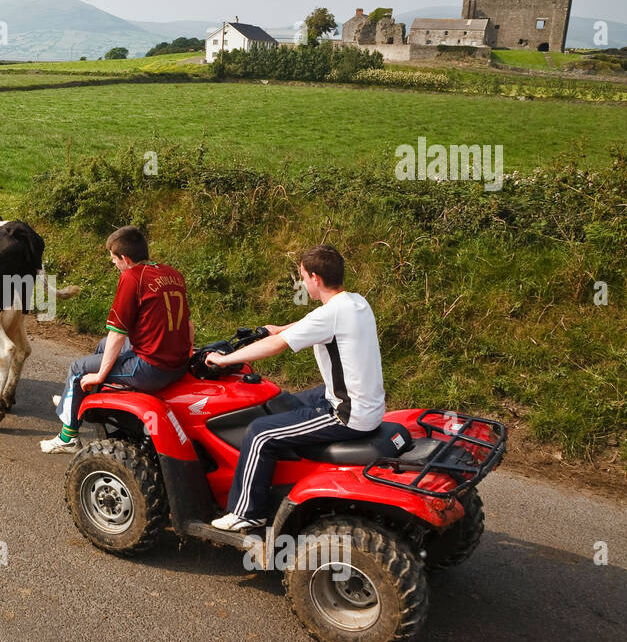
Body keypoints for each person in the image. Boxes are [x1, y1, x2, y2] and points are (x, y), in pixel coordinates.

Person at [205, 245, 386, 530]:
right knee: (285, 401)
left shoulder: (330, 315)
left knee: (259, 432)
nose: (301, 283)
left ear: (315, 278)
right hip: (367, 405)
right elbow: (313, 322)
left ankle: (246, 512)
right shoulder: (355, 302)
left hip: (348, 415)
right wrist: (282, 327)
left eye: (302, 277)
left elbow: (276, 347)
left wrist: (225, 360)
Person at [40, 226, 193, 453]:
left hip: (152, 368)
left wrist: (100, 373)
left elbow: (118, 333)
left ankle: (68, 437)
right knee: (102, 345)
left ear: (126, 259)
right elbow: (188, 324)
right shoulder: (170, 273)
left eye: (114, 258)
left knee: (78, 369)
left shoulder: (132, 277)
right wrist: (187, 355)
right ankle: (79, 400)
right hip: (177, 362)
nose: (113, 263)